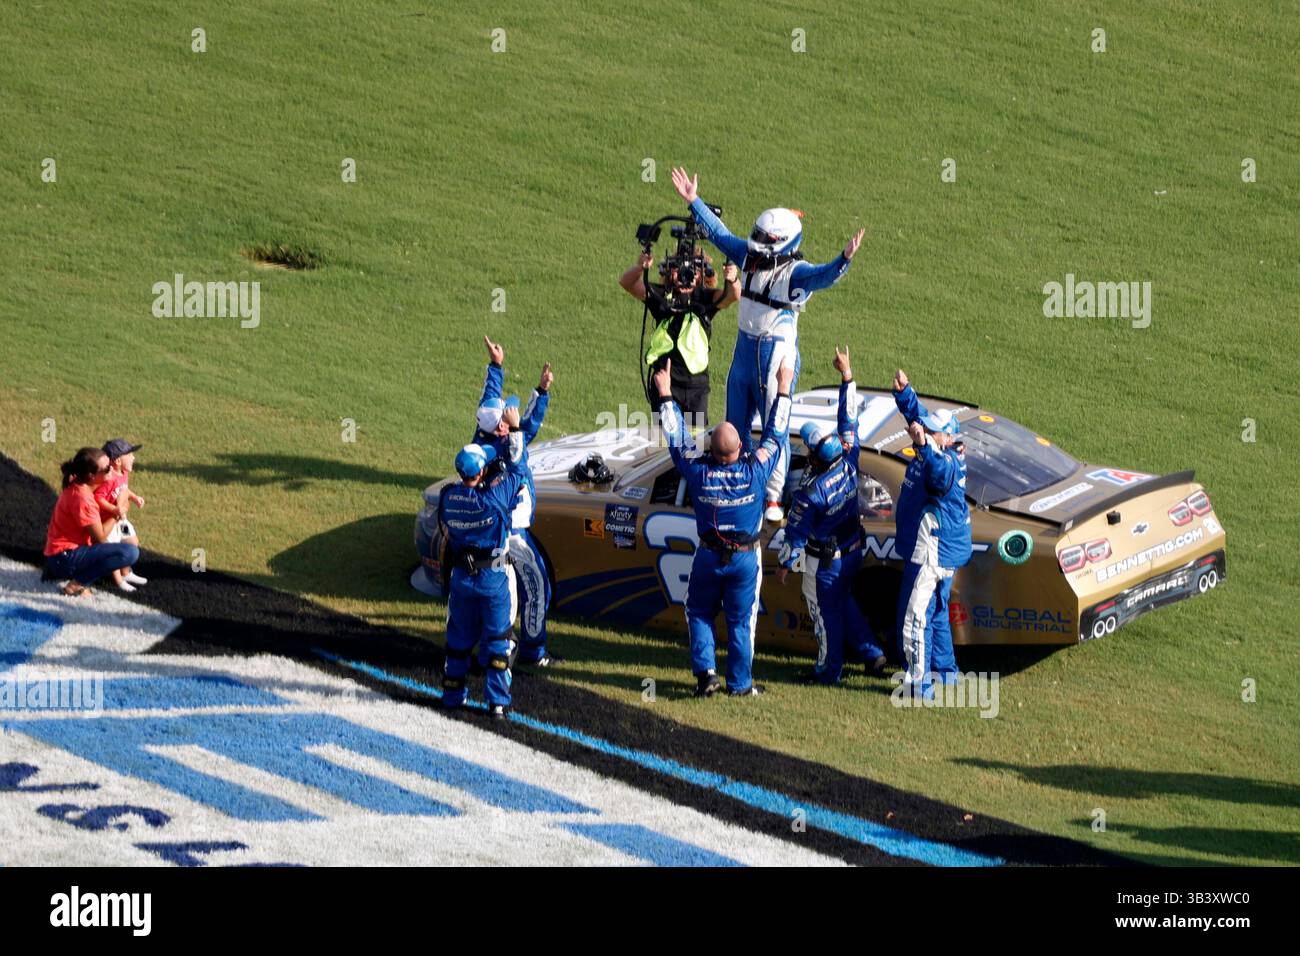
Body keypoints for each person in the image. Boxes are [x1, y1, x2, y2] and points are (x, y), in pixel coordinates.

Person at [670, 166, 865, 522]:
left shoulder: (796, 272)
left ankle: (773, 498)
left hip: (776, 356)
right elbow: (719, 234)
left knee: (776, 426)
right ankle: (737, 479)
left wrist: (845, 259)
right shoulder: (748, 255)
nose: (756, 247)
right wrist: (693, 201)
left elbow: (824, 275)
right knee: (735, 420)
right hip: (746, 351)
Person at [653, 356, 792, 697]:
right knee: (740, 622)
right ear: (741, 447)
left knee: (699, 612)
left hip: (709, 557)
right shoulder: (756, 472)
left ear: (711, 451)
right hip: (745, 559)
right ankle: (741, 684)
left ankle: (706, 676)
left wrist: (666, 395)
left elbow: (677, 438)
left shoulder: (698, 472)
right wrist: (784, 387)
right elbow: (776, 434)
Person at [776, 347, 888, 684]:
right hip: (854, 551)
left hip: (826, 563)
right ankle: (872, 653)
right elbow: (849, 420)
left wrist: (784, 564)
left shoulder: (810, 494)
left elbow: (794, 537)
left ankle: (828, 672)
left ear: (814, 455)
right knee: (844, 602)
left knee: (825, 617)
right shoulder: (849, 457)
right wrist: (847, 376)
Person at [472, 336, 559, 666]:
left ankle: (484, 648)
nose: (512, 413)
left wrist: (497, 366)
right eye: (508, 418)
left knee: (493, 595)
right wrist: (535, 400)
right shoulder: (507, 450)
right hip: (512, 536)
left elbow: (501, 409)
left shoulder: (484, 437)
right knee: (536, 590)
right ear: (501, 430)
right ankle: (531, 652)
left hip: (489, 534)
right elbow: (524, 437)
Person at [891, 368, 973, 697]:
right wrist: (906, 393)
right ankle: (947, 673)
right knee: (937, 611)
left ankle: (919, 685)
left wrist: (923, 446)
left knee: (917, 616)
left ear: (948, 438)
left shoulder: (946, 461)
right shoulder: (942, 444)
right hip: (941, 547)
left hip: (933, 551)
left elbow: (937, 476)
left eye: (934, 432)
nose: (927, 432)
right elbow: (922, 420)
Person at [437, 422, 528, 719]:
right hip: (493, 579)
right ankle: (497, 703)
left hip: (462, 580)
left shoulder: (448, 497)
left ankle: (452, 696)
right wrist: (515, 429)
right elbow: (518, 472)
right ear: (481, 472)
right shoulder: (493, 500)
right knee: (499, 640)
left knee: (458, 640)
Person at [619, 247, 740, 426]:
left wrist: (733, 279)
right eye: (678, 268)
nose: (686, 274)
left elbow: (733, 295)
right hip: (666, 383)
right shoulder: (662, 295)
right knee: (665, 442)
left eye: (693, 269)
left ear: (702, 274)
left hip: (696, 388)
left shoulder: (704, 297)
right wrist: (640, 267)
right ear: (668, 271)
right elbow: (627, 283)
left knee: (695, 445)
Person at [44, 447, 141, 597]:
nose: (112, 470)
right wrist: (117, 513)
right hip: (65, 559)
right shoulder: (83, 499)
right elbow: (100, 538)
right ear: (91, 476)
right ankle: (78, 583)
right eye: (107, 468)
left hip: (59, 555)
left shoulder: (78, 483)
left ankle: (59, 571)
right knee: (129, 553)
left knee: (118, 551)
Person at [95, 438, 148, 592]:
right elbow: (98, 498)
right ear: (117, 460)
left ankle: (126, 572)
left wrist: (134, 497)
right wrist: (113, 509)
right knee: (113, 549)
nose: (133, 458)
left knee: (132, 542)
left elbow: (124, 490)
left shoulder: (123, 473)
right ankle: (118, 580)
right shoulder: (108, 479)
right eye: (130, 455)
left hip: (121, 521)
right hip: (109, 523)